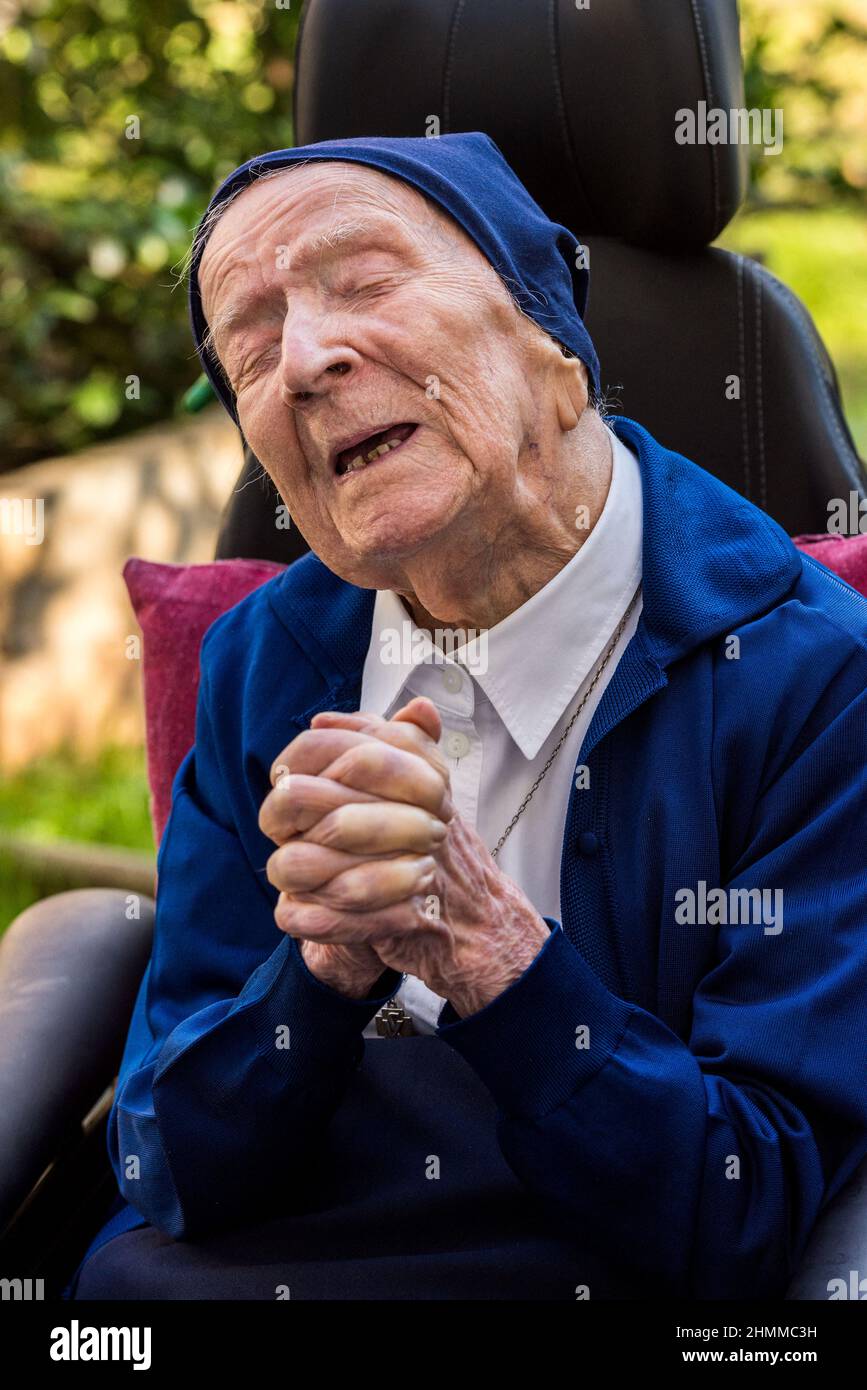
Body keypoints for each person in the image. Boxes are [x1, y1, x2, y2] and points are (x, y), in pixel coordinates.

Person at [68, 132, 867, 1301]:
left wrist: (488, 949)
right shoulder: (264, 663)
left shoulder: (810, 678)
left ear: (552, 335)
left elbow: (742, 1208)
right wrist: (328, 960)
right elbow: (171, 1164)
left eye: (366, 282)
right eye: (249, 346)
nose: (300, 361)